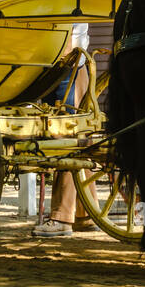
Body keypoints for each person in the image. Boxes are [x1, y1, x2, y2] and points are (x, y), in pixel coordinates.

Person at [32, 24, 97, 238]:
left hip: (63, 63)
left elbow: (67, 29)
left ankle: (61, 217)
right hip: (77, 64)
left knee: (66, 139)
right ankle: (86, 213)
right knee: (80, 137)